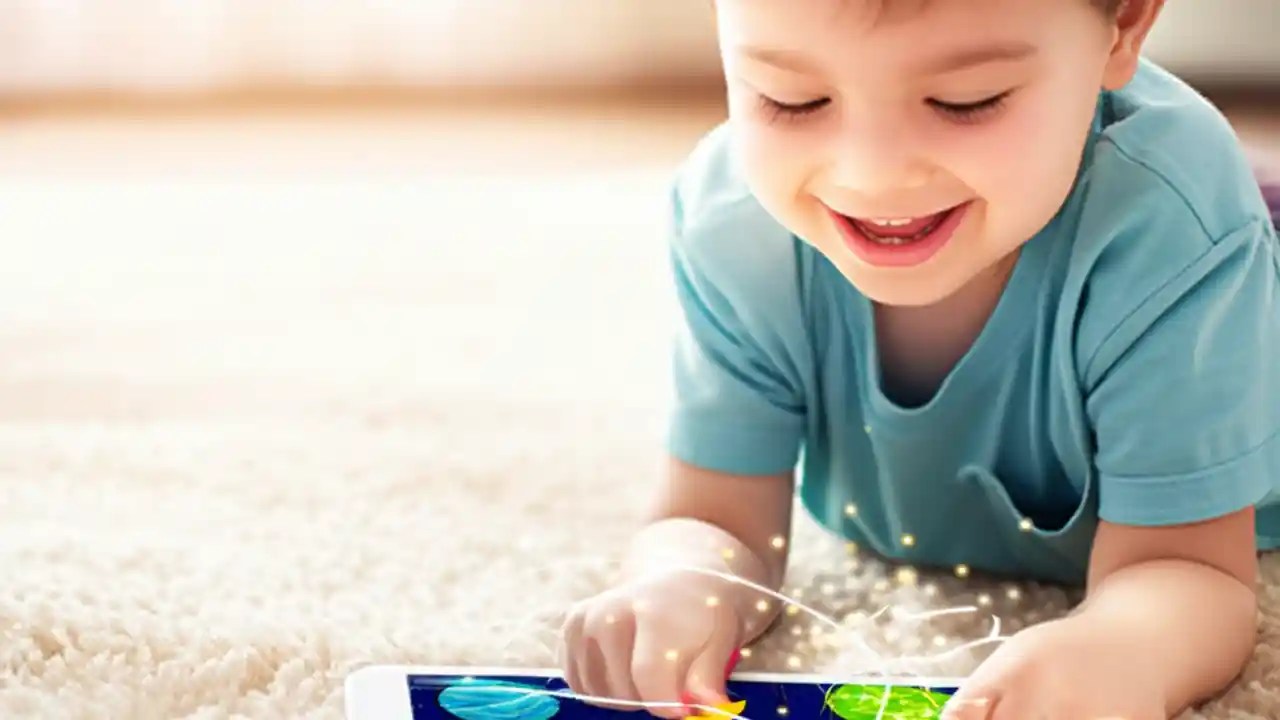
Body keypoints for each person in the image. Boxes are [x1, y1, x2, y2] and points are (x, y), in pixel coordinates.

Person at [559, 0, 1280, 717]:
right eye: (793, 100)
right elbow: (719, 519)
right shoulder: (734, 221)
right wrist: (682, 582)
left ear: (1121, 26)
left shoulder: (1175, 233)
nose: (873, 177)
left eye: (966, 101)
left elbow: (1191, 571)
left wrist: (1122, 647)